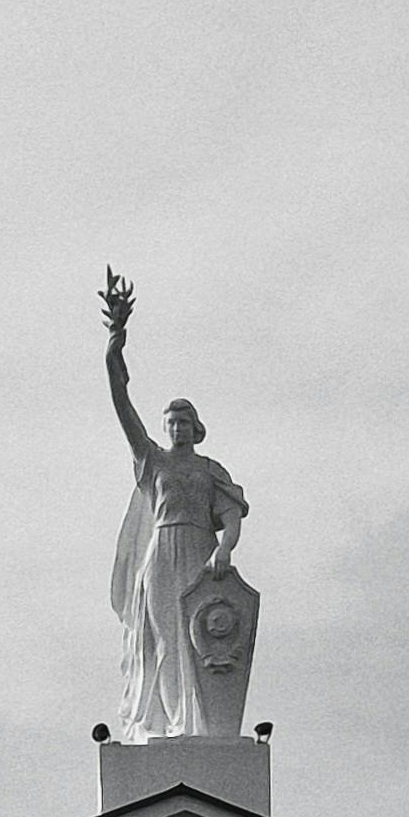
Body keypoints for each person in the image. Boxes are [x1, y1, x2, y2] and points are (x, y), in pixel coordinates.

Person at [101, 269, 249, 739]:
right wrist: (114, 350)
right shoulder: (154, 463)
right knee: (165, 638)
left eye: (184, 422)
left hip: (201, 551)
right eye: (171, 422)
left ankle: (200, 724)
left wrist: (225, 550)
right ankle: (168, 722)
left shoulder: (208, 470)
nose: (177, 428)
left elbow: (229, 515)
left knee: (196, 639)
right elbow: (123, 409)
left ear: (195, 427)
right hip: (162, 553)